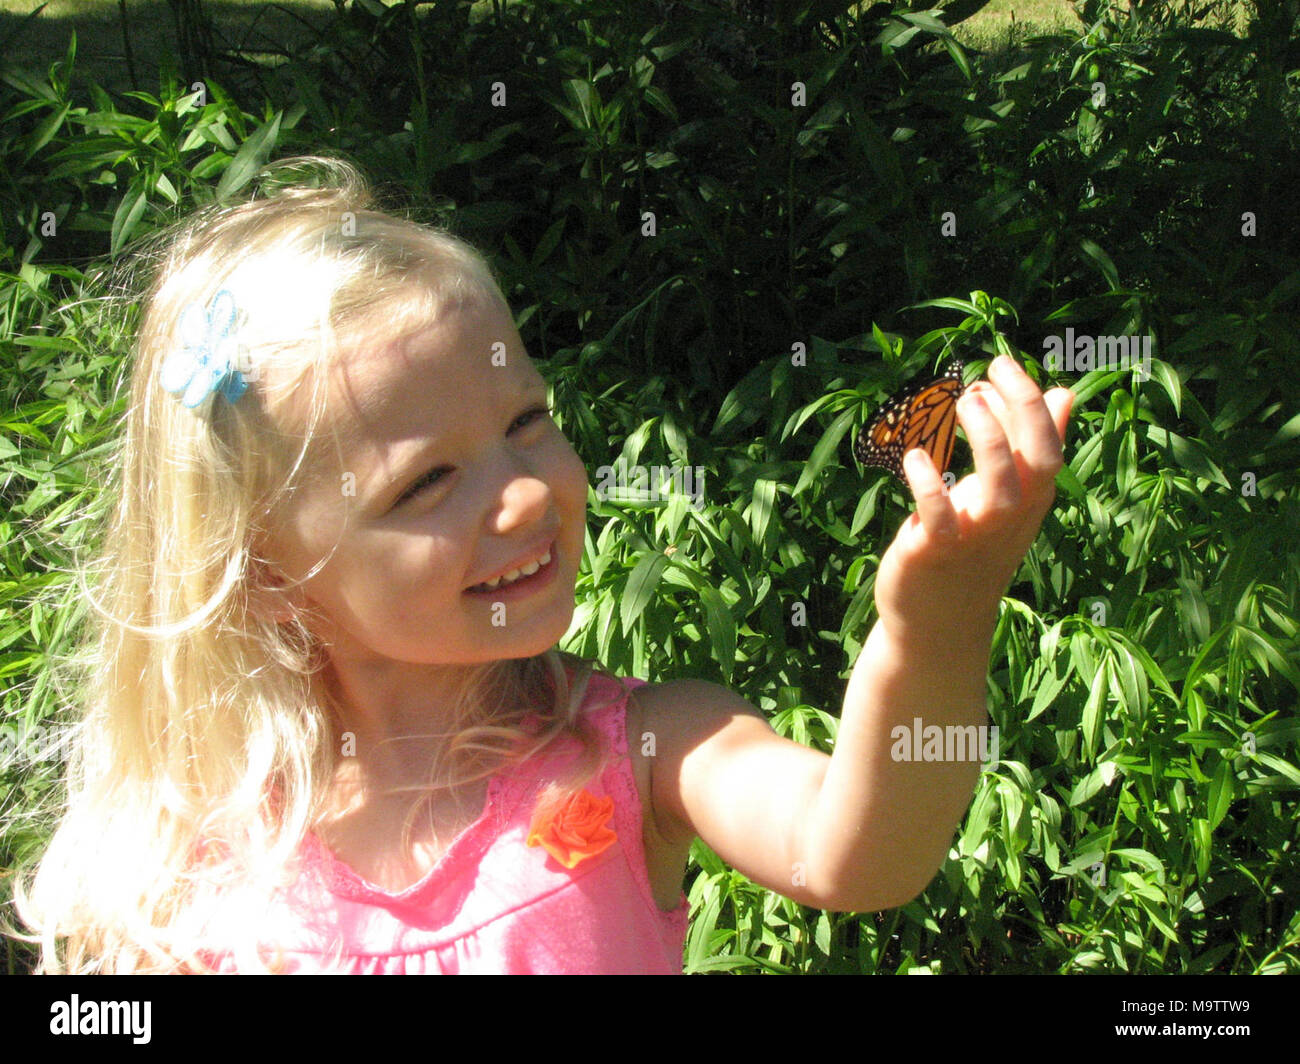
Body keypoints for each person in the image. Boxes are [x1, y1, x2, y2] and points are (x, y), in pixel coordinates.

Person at [9, 155, 1072, 974]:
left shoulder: (644, 748)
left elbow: (862, 854)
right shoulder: (199, 868)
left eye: (526, 420)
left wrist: (937, 622)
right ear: (266, 569)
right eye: (426, 482)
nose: (523, 490)